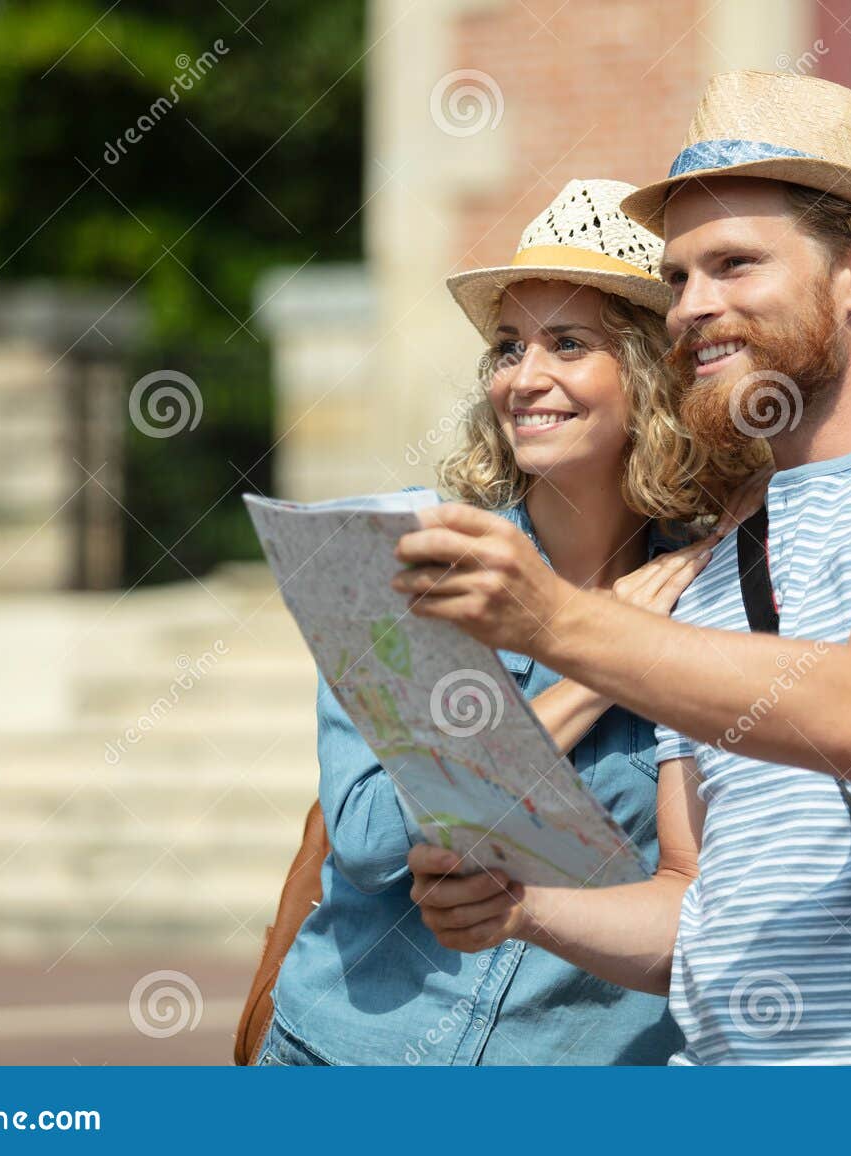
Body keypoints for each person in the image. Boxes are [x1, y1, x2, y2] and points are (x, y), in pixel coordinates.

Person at [397, 72, 851, 1065]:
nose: (692, 309)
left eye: (733, 265)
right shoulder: (717, 562)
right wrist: (523, 909)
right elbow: (694, 901)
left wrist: (556, 621)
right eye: (678, 278)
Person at [256, 178, 762, 1065]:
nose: (524, 379)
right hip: (339, 1062)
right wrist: (600, 661)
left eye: (567, 344)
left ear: (649, 372)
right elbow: (373, 838)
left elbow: (709, 897)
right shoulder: (405, 552)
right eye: (507, 347)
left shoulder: (715, 596)